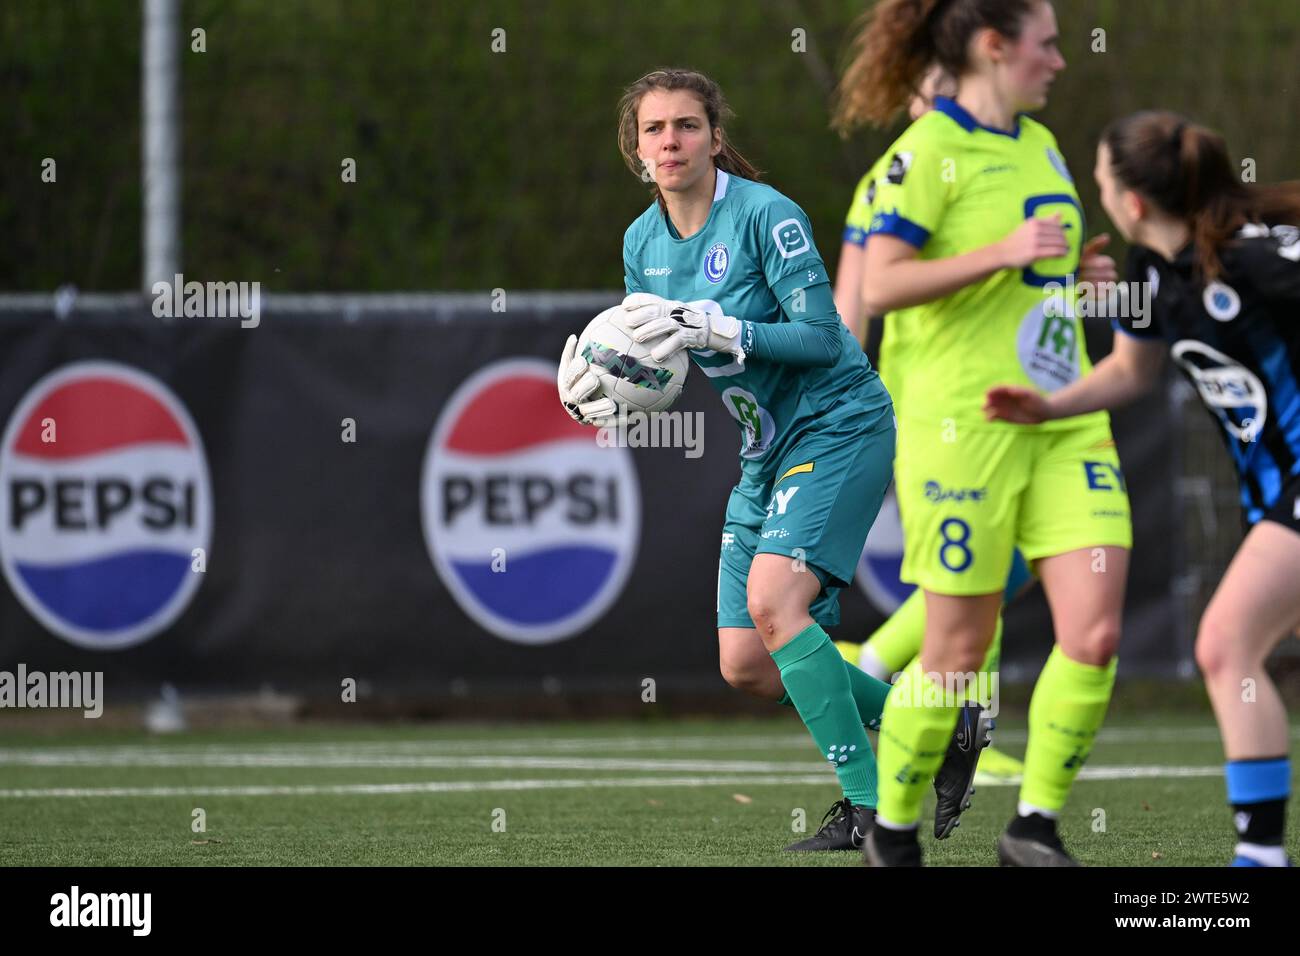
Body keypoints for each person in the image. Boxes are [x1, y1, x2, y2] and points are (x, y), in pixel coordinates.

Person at [558, 68, 898, 851]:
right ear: (636, 148)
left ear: (715, 136)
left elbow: (822, 338)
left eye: (685, 125)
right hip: (765, 452)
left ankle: (873, 811)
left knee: (777, 606)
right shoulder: (640, 243)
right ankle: (935, 729)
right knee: (745, 662)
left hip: (837, 424)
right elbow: (659, 374)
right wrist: (604, 395)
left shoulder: (766, 217)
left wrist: (722, 328)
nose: (669, 141)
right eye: (654, 130)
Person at [835, 0, 1132, 866]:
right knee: (958, 649)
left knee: (1096, 633)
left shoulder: (1039, 144)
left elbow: (1029, 272)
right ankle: (892, 832)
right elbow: (880, 286)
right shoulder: (922, 154)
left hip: (1063, 421)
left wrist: (1076, 277)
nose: (1060, 60)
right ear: (995, 48)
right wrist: (1005, 251)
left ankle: (1032, 828)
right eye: (1046, 43)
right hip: (960, 429)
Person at [985, 110, 1300, 867]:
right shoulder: (1153, 271)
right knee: (1237, 647)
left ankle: (1259, 858)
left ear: (1130, 198)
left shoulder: (1263, 263)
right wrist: (1048, 405)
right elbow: (1133, 369)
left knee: (1226, 645)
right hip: (1274, 494)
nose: (1093, 184)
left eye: (1098, 174)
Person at [833, 62, 1030, 805]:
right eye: (937, 83)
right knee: (977, 570)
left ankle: (911, 686)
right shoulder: (901, 174)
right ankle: (925, 702)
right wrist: (846, 401)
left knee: (1007, 564)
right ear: (916, 96)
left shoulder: (1009, 154)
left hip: (1004, 396)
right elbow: (856, 299)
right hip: (938, 403)